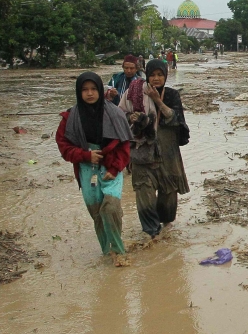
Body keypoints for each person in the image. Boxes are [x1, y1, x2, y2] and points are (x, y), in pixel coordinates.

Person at [56, 72, 133, 265]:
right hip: (86, 169)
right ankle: (107, 252)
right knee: (97, 212)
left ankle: (119, 252)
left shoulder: (115, 114)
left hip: (111, 167)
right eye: (84, 90)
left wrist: (115, 168)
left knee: (111, 208)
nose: (89, 93)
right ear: (78, 92)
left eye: (93, 89)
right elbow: (64, 148)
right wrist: (85, 155)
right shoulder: (69, 118)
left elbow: (124, 146)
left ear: (100, 89)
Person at [119, 59, 190, 238]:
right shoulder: (135, 92)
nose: (156, 78)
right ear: (146, 76)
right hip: (143, 151)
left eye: (160, 75)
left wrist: (158, 101)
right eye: (152, 75)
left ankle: (166, 228)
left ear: (165, 76)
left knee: (168, 193)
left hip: (167, 152)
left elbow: (176, 120)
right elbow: (121, 115)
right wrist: (132, 118)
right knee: (144, 191)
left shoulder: (172, 95)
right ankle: (150, 232)